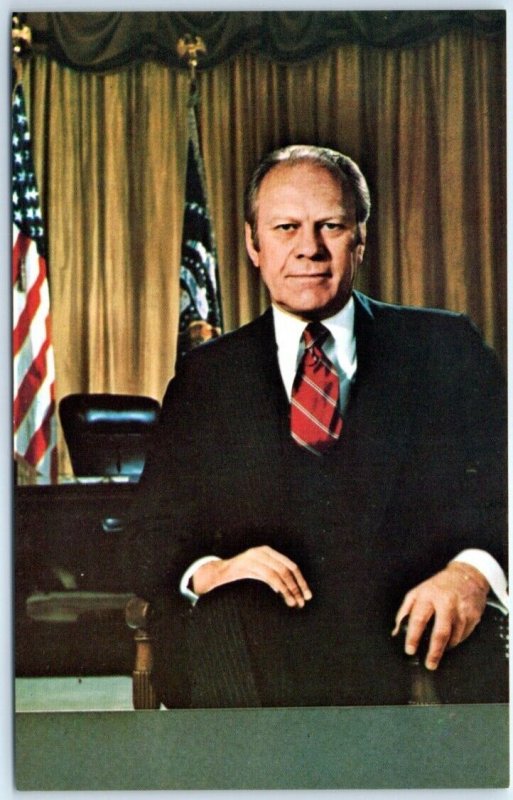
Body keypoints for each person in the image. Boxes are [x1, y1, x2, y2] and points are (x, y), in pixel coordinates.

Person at [125, 145, 507, 708]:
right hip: (254, 642)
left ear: (360, 239)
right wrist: (212, 570)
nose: (309, 248)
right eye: (286, 228)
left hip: (412, 629)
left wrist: (472, 573)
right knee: (228, 622)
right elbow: (147, 533)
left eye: (330, 225)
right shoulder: (206, 376)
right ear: (254, 245)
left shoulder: (444, 348)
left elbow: (505, 489)